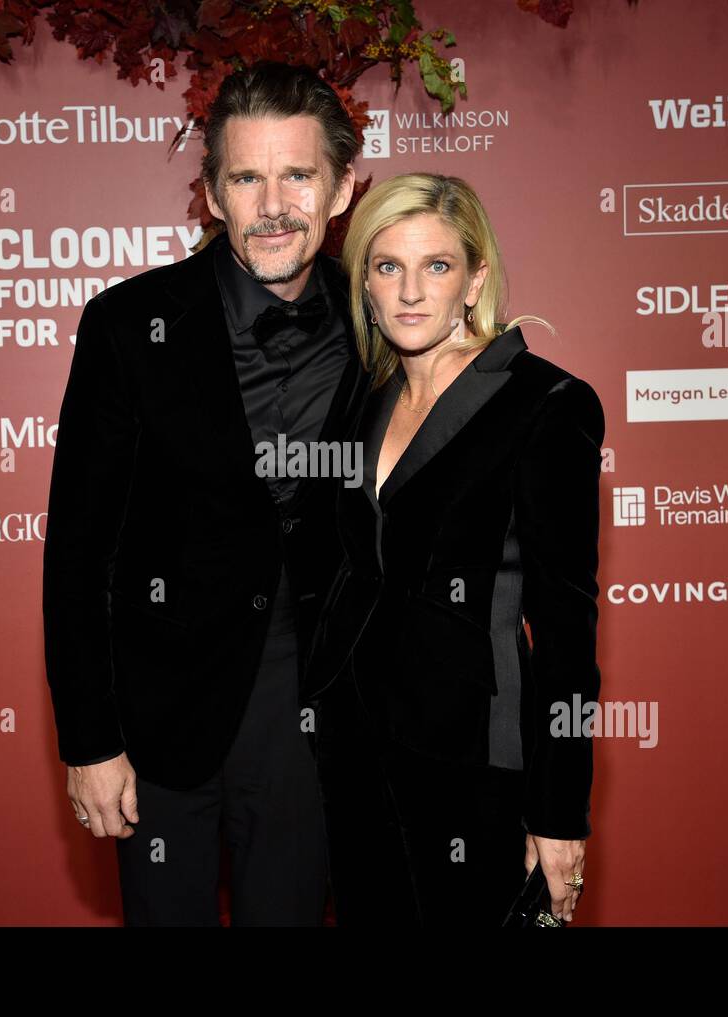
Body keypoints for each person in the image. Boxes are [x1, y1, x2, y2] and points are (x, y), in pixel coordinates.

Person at [42, 61, 368, 925]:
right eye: (246, 177)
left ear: (342, 190)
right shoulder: (128, 326)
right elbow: (79, 551)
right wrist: (90, 741)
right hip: (160, 726)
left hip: (311, 723)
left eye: (298, 174)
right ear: (213, 194)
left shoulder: (383, 326)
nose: (273, 205)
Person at [305, 172, 606, 926]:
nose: (410, 291)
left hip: (473, 762)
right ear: (365, 285)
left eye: (436, 266)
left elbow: (567, 633)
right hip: (354, 751)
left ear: (474, 279)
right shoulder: (362, 398)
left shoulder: (545, 405)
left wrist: (559, 812)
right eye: (387, 266)